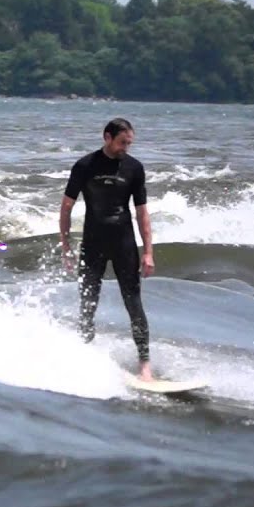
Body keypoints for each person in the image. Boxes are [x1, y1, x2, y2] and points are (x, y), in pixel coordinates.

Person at [59, 118, 156, 381]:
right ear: (107, 137)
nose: (126, 147)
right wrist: (66, 246)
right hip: (93, 243)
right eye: (122, 142)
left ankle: (144, 365)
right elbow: (67, 206)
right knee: (88, 302)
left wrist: (148, 252)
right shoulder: (84, 166)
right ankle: (84, 353)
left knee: (133, 303)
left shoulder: (134, 168)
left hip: (124, 242)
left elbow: (142, 213)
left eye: (129, 143)